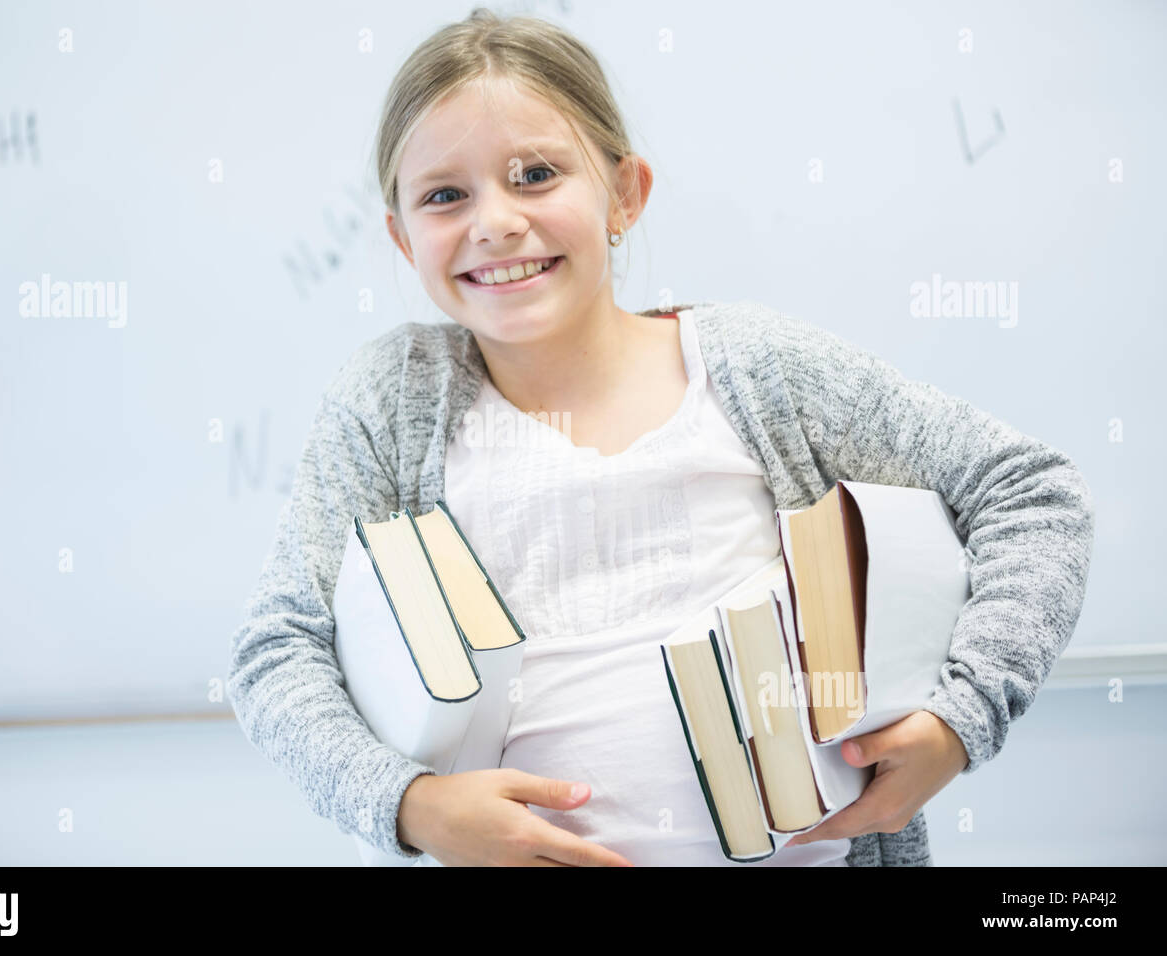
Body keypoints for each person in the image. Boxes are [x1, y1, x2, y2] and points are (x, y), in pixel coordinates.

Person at [227, 9, 1094, 866]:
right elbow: (277, 651)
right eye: (444, 196)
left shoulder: (757, 371)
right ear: (401, 235)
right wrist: (409, 805)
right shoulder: (392, 401)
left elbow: (1032, 493)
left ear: (624, 194)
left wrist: (961, 718)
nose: (493, 222)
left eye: (536, 175)